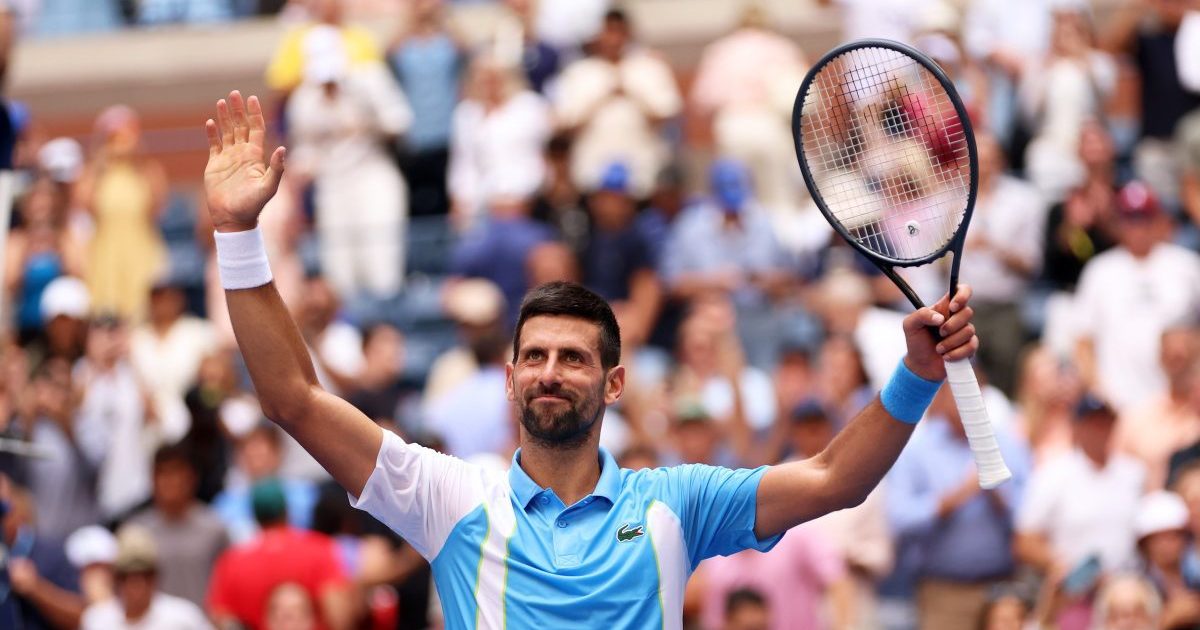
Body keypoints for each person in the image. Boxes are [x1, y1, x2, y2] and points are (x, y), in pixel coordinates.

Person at [201, 89, 984, 627]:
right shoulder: (450, 497)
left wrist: (918, 375)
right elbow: (293, 398)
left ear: (614, 383)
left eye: (573, 359)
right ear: (509, 377)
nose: (550, 371)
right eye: (535, 356)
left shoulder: (676, 502)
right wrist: (238, 235)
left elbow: (835, 480)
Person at [886, 384, 1031, 630]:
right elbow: (899, 519)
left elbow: (1029, 518)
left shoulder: (1007, 444)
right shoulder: (918, 447)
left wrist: (997, 494)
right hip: (944, 592)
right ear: (940, 397)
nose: (964, 400)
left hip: (1001, 589)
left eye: (971, 389)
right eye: (956, 391)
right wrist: (952, 499)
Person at [127, 444, 230, 608]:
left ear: (192, 478)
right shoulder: (136, 532)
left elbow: (228, 587)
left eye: (175, 472)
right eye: (162, 473)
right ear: (152, 479)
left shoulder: (215, 529)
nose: (169, 481)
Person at [80, 524, 213, 630]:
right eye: (126, 577)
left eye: (145, 575)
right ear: (116, 579)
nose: (136, 585)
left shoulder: (184, 618)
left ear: (155, 577)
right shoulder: (96, 620)